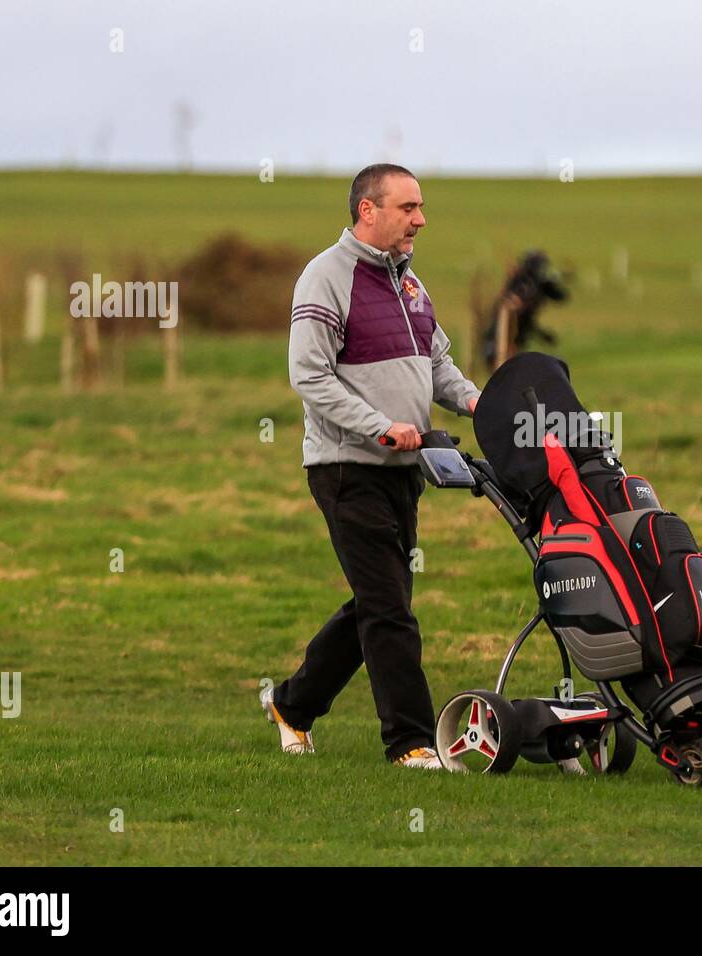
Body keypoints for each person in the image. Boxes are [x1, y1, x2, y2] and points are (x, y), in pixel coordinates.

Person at [260, 163, 481, 768]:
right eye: (408, 208)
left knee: (376, 603)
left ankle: (292, 705)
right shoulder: (325, 278)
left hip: (404, 472)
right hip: (344, 467)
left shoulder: (410, 283)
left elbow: (437, 367)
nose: (420, 219)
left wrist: (475, 401)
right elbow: (309, 376)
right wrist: (379, 426)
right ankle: (410, 742)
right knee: (388, 609)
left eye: (421, 207)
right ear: (368, 210)